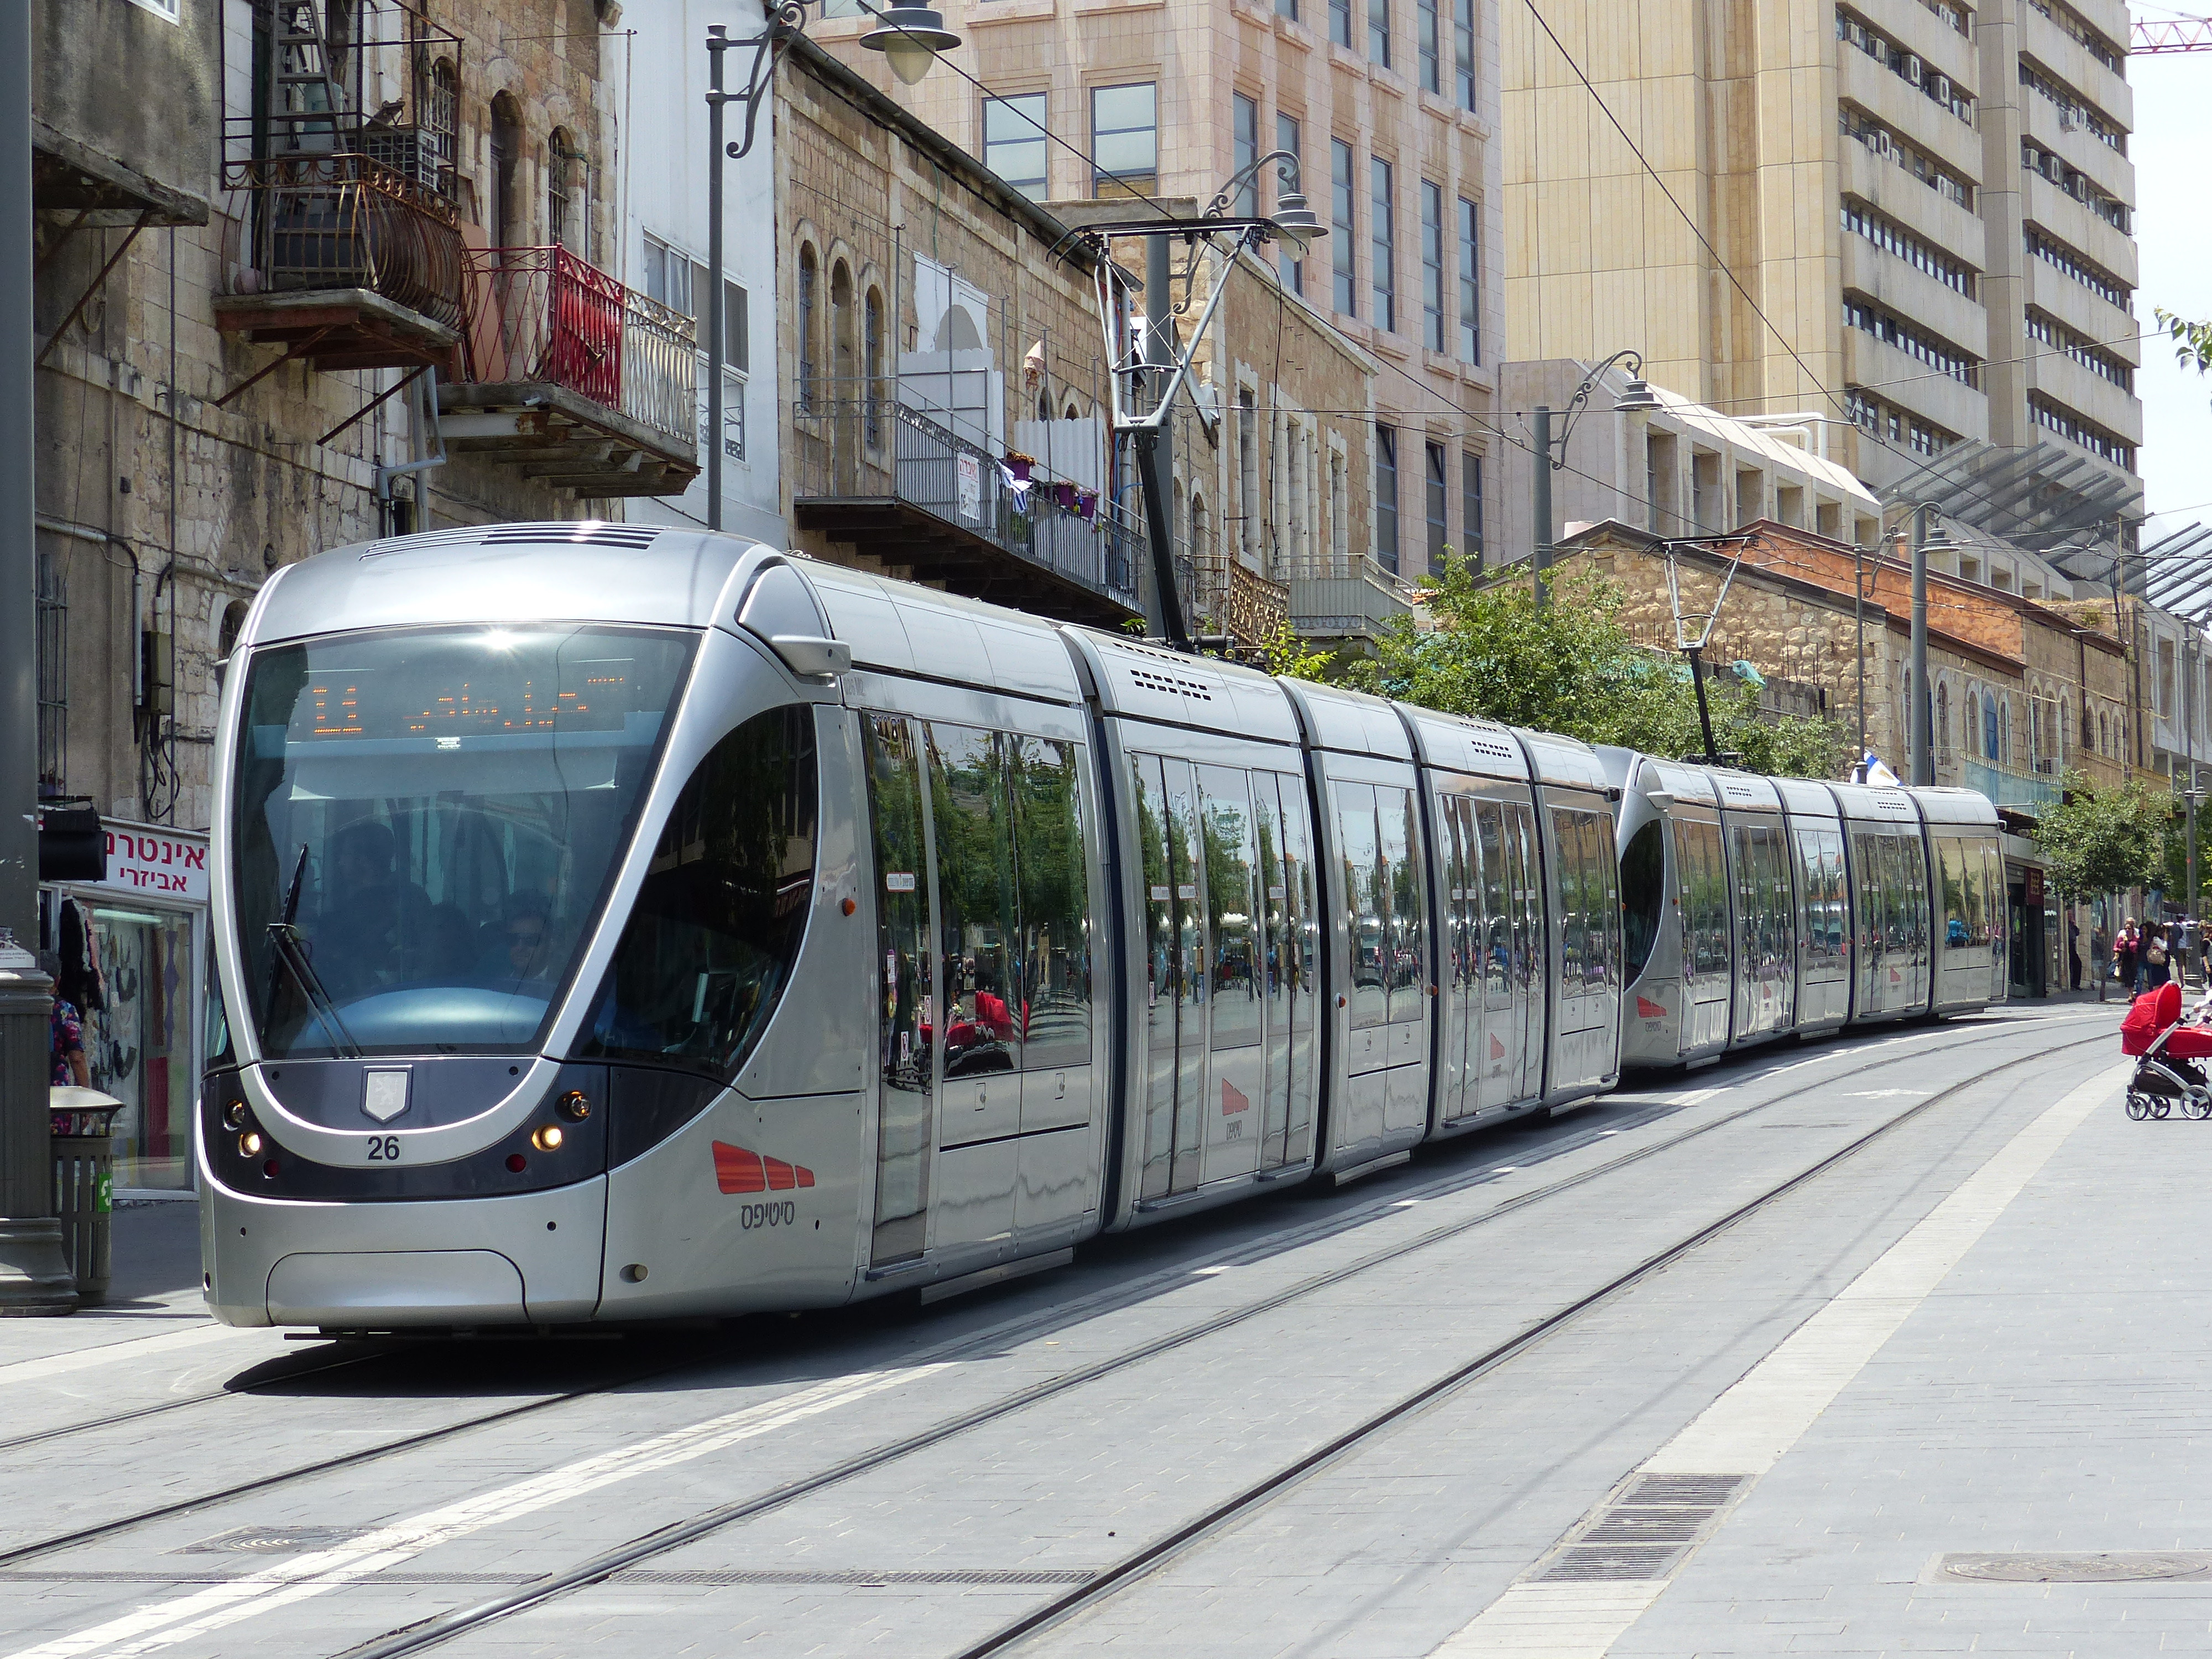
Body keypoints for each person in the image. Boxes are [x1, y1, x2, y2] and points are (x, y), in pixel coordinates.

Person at [44, 953, 88, 1088]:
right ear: (57, 981)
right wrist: (87, 1098)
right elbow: (77, 1058)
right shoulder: (65, 1010)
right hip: (56, 1090)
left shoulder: (15, 1005)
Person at [2115, 918, 2140, 992]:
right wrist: (2119, 951)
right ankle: (2131, 993)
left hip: (2134, 958)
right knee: (2127, 976)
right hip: (2124, 958)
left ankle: (2135, 992)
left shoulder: (2137, 936)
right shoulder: (2122, 936)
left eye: (2130, 928)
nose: (2128, 930)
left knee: (2134, 975)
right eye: (2126, 928)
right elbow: (2116, 947)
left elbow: (2140, 945)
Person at [2146, 923, 2173, 989]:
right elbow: (2164, 948)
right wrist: (2166, 940)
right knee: (2158, 982)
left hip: (2164, 963)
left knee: (2165, 981)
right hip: (2158, 963)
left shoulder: (2162, 940)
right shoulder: (2156, 939)